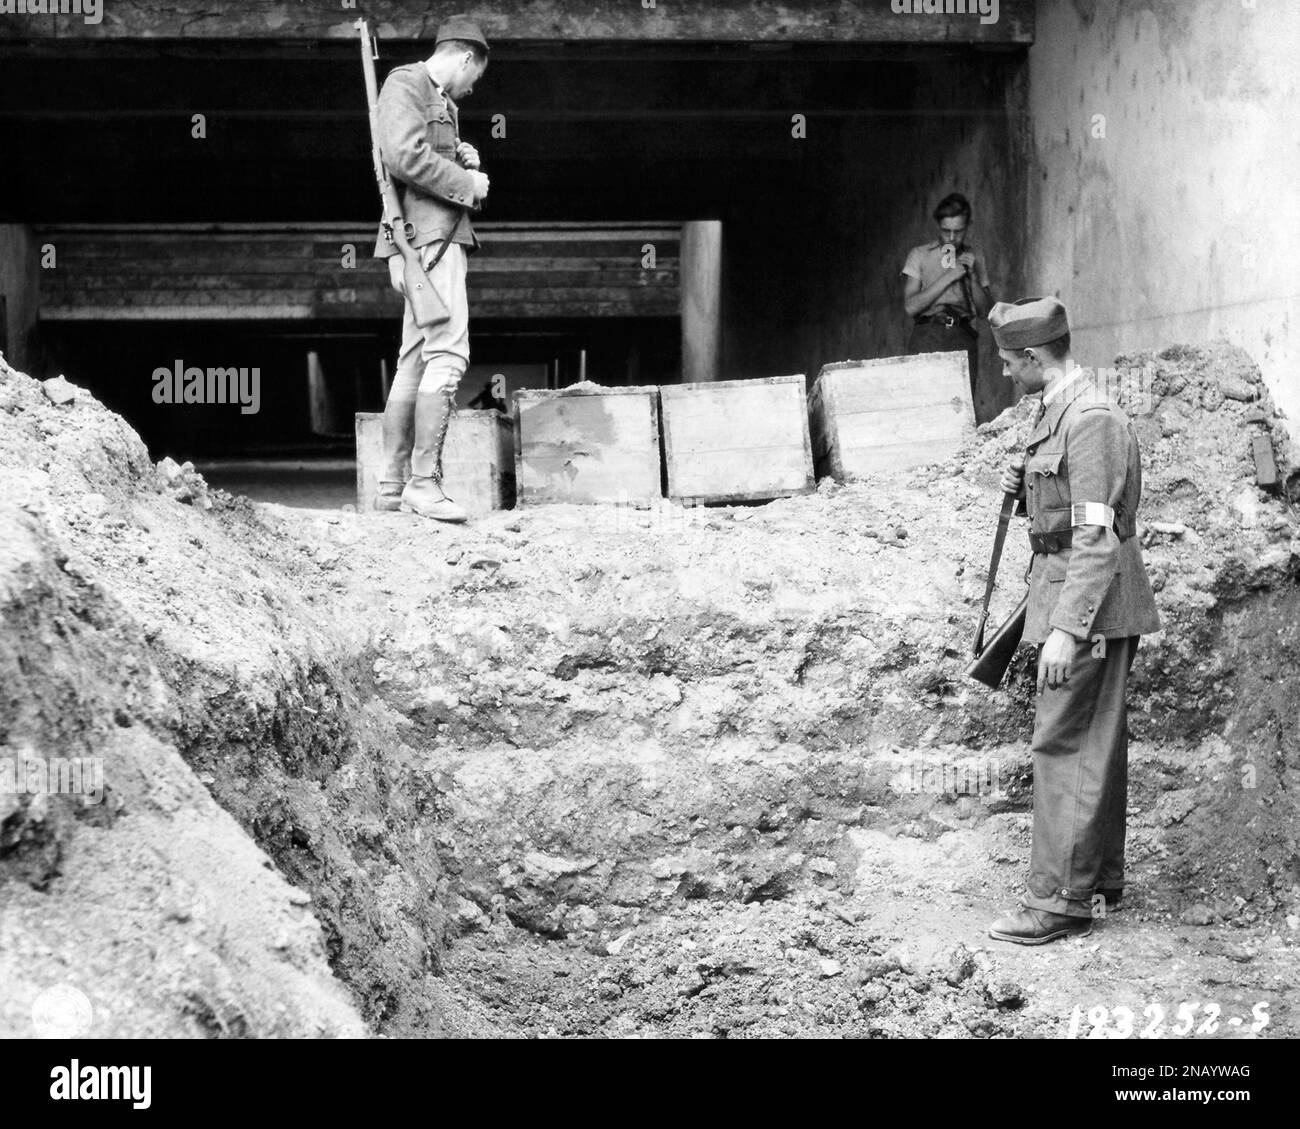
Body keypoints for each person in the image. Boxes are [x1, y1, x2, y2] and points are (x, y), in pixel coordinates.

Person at [985, 297, 1161, 945]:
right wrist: (1023, 483)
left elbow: (1095, 534)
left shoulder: (1089, 419)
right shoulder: (1059, 410)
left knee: (1063, 744)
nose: (1006, 372)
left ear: (1034, 357)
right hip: (1075, 595)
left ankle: (1059, 901)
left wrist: (1068, 627)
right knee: (1094, 740)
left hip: (1088, 604)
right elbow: (1067, 502)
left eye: (1009, 362)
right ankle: (1096, 878)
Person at [372, 15, 491, 522]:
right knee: (449, 356)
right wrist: (470, 185)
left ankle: (392, 487)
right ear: (466, 57)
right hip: (432, 242)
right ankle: (423, 485)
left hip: (426, 241)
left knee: (415, 359)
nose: (472, 87)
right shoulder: (407, 82)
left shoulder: (440, 101)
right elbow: (400, 158)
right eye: (476, 76)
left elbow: (420, 156)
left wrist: (462, 157)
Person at [901, 192, 993, 404]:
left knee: (961, 407)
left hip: (962, 334)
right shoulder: (919, 255)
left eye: (958, 232)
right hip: (927, 334)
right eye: (946, 231)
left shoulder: (975, 256)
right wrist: (949, 277)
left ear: (968, 225)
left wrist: (971, 279)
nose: (952, 238)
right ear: (937, 226)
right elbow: (910, 307)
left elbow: (986, 312)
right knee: (923, 404)